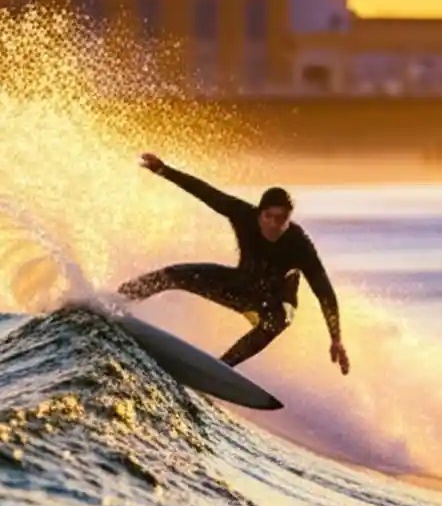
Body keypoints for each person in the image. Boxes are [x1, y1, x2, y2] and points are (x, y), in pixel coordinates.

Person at [117, 153, 350, 375]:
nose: (275, 225)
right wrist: (163, 170)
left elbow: (325, 293)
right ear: (260, 213)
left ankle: (223, 369)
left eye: (282, 219)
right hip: (242, 285)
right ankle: (116, 299)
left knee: (278, 321)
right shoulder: (243, 214)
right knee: (173, 274)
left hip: (276, 302)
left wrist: (336, 338)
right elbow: (206, 192)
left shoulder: (299, 244)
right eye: (270, 216)